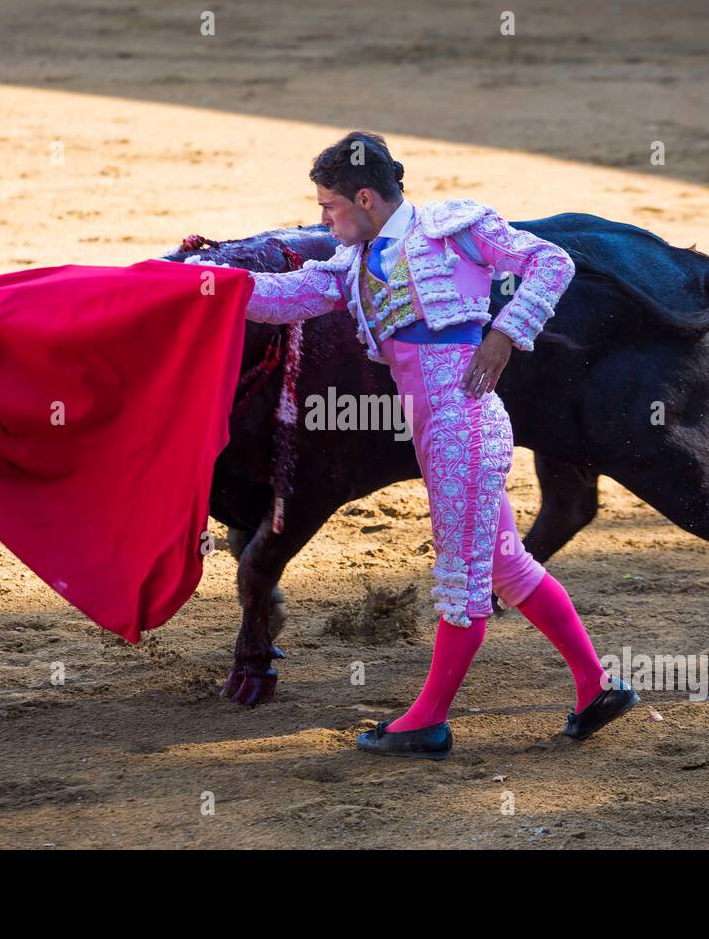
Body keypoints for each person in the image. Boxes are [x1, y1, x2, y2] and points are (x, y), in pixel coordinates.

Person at [246, 130, 638, 759]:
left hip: (463, 426)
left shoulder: (452, 228)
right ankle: (598, 687)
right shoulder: (354, 262)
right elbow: (286, 298)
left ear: (366, 197)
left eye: (331, 206)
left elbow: (552, 261)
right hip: (437, 429)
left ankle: (427, 720)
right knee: (506, 565)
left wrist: (505, 335)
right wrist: (203, 289)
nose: (323, 217)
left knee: (463, 575)